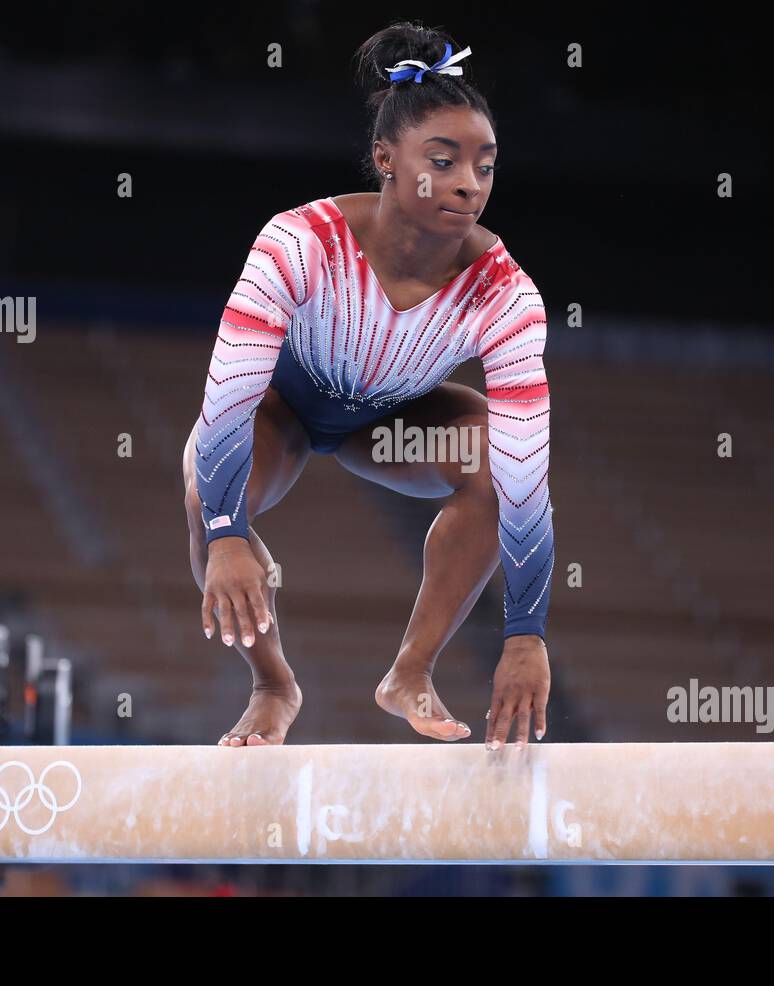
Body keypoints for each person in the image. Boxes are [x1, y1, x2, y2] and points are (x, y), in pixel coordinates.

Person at [182, 21, 554, 750]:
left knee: (489, 457)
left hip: (391, 421)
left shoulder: (506, 294)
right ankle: (272, 683)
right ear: (386, 158)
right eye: (442, 160)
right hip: (281, 406)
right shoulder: (298, 243)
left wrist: (526, 635)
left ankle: (410, 672)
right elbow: (227, 398)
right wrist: (227, 534)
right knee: (205, 489)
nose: (467, 183)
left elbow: (525, 477)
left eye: (485, 165)